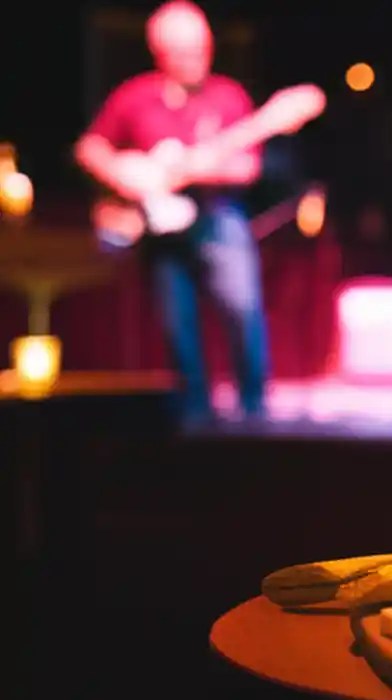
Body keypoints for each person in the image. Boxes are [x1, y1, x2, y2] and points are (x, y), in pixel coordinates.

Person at [75, 1, 268, 427]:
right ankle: (194, 414)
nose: (196, 59)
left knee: (242, 309)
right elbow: (89, 147)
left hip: (218, 216)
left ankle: (255, 411)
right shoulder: (135, 96)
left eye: (201, 49)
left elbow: (250, 166)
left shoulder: (228, 96)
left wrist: (203, 166)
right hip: (160, 227)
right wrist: (125, 174)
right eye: (183, 51)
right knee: (177, 323)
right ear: (160, 53)